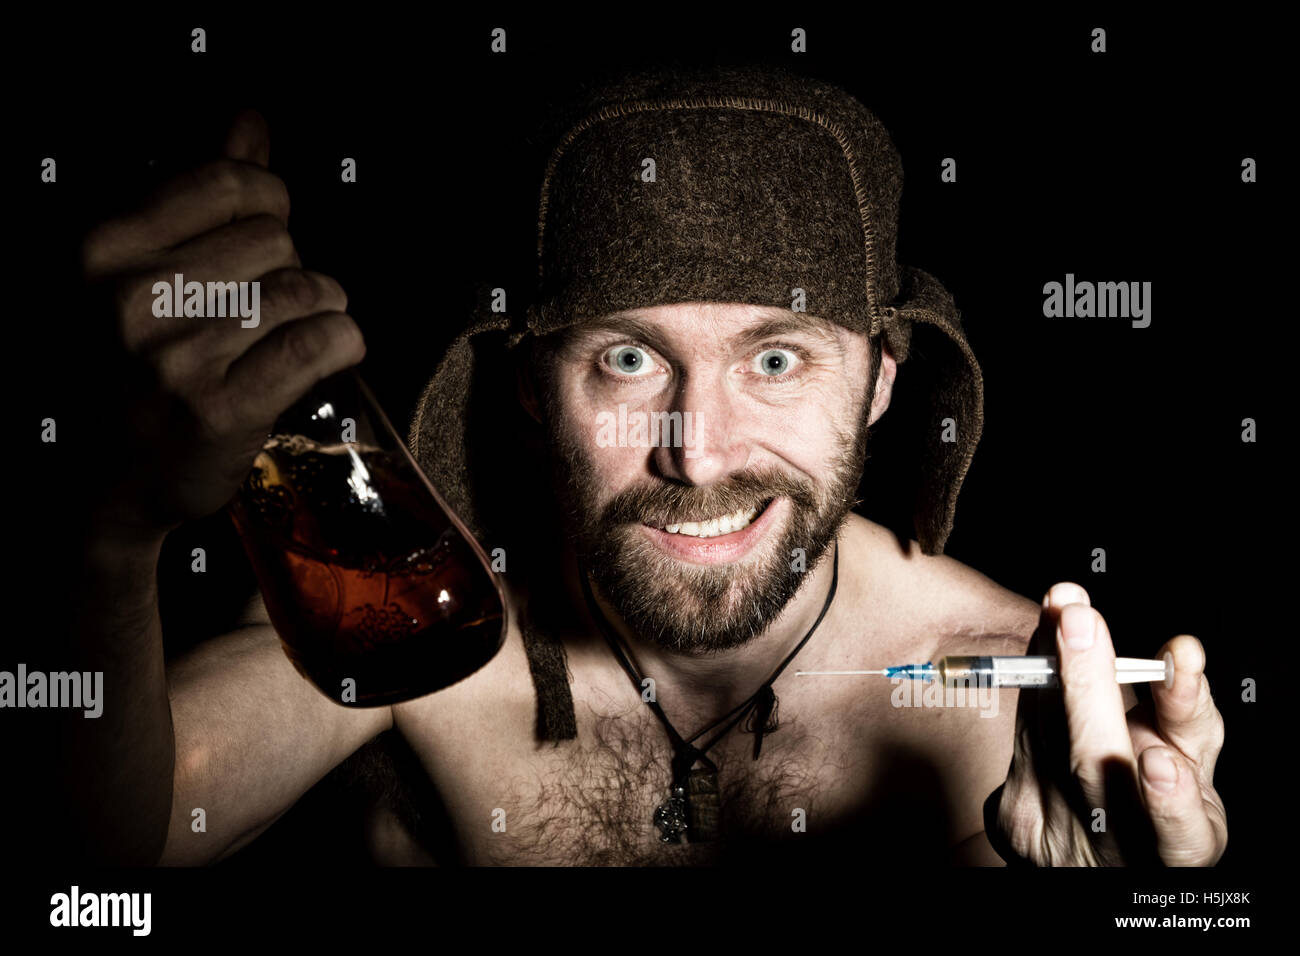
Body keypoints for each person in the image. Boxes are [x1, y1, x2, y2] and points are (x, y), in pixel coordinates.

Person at [66, 66, 1227, 866]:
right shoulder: (414, 609)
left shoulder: (1001, 700)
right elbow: (107, 855)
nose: (695, 450)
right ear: (530, 386)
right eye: (626, 358)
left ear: (881, 380)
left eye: (775, 358)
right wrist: (110, 533)